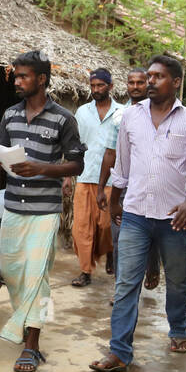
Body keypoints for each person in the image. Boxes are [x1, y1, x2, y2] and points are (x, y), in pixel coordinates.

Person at [89, 55, 186, 372]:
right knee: (126, 282)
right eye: (149, 76)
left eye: (158, 77)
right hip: (136, 214)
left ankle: (178, 328)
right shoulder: (130, 116)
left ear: (177, 82)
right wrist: (115, 201)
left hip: (174, 217)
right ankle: (119, 351)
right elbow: (123, 164)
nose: (151, 81)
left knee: (178, 278)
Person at [0, 51, 84, 372]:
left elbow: (77, 164)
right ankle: (28, 323)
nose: (17, 81)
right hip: (13, 205)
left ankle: (32, 344)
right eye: (16, 76)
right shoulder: (9, 115)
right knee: (11, 272)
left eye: (23, 76)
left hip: (45, 210)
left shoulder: (63, 119)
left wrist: (41, 168)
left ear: (41, 79)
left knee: (37, 275)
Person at [107, 67, 162, 292]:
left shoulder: (159, 114)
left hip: (152, 186)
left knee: (153, 233)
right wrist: (104, 188)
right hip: (123, 189)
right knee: (121, 238)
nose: (136, 87)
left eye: (141, 82)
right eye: (132, 83)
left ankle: (153, 265)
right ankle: (123, 288)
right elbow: (110, 153)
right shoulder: (119, 117)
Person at [67, 69, 121, 287]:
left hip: (111, 180)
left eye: (101, 85)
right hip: (85, 175)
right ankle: (85, 271)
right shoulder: (82, 112)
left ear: (110, 86)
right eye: (93, 86)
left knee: (107, 225)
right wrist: (67, 176)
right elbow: (74, 145)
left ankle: (109, 252)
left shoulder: (122, 112)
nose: (96, 90)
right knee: (81, 226)